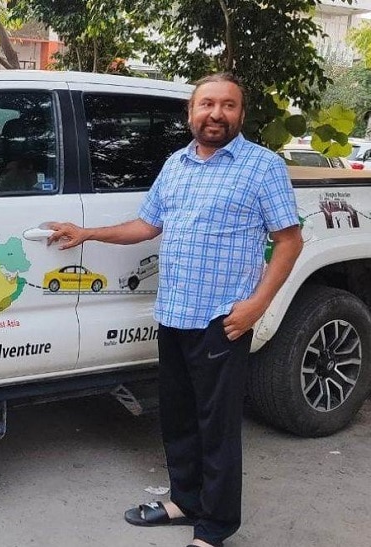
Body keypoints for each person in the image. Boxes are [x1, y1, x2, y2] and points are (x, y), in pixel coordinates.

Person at [47, 73, 303, 547]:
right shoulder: (177, 165)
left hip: (222, 319)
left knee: (218, 427)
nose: (216, 114)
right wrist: (88, 233)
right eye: (207, 104)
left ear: (240, 115)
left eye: (228, 105)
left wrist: (256, 305)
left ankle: (215, 525)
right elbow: (147, 225)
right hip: (174, 312)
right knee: (179, 415)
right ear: (191, 113)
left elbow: (288, 241)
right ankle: (184, 500)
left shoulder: (261, 167)